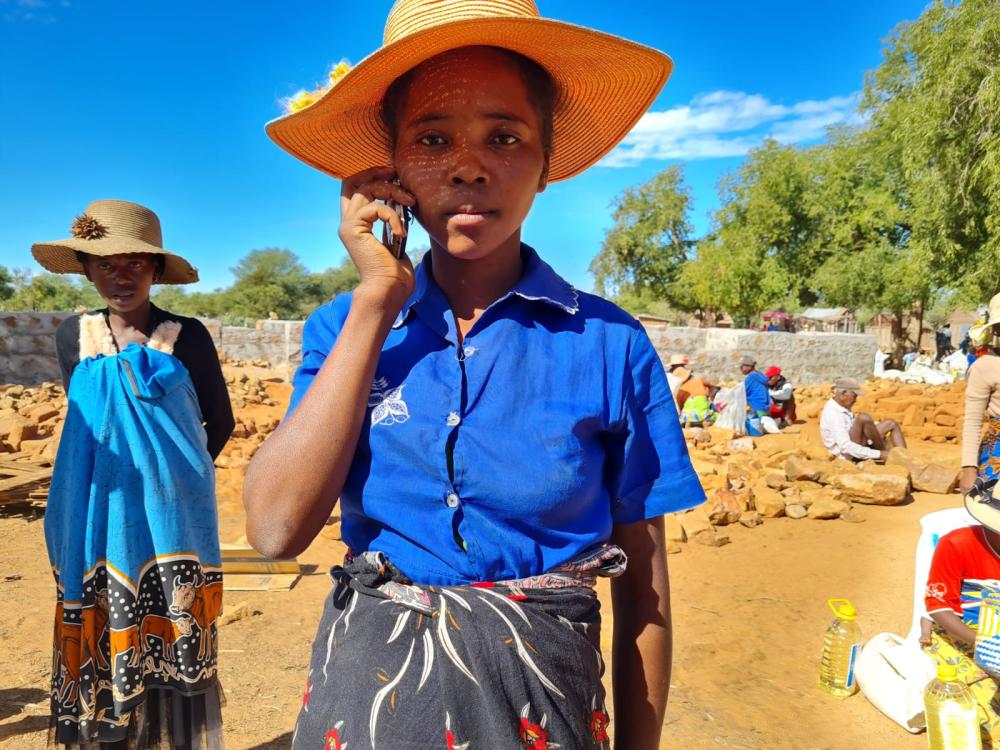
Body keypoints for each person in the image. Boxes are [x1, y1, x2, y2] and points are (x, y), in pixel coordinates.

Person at [245, 3, 704, 748]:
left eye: (505, 136)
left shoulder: (610, 344)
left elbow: (645, 594)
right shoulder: (346, 329)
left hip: (543, 712)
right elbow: (273, 531)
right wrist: (375, 302)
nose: (468, 164)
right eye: (432, 138)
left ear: (546, 165)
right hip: (370, 709)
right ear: (390, 170)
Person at [31, 200, 234, 748]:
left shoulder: (188, 336)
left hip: (174, 522)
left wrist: (173, 480)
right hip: (96, 511)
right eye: (106, 265)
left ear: (154, 270)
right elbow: (90, 429)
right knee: (100, 616)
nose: (120, 276)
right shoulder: (72, 337)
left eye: (135, 264)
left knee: (172, 622)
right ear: (87, 269)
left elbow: (220, 419)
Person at [921, 471, 1000, 744]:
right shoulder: (956, 544)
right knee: (977, 706)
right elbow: (939, 607)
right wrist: (985, 643)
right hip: (961, 634)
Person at [961, 294, 1000, 496]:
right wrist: (969, 468)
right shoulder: (984, 367)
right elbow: (972, 420)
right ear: (996, 329)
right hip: (997, 459)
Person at [819, 377, 906, 461]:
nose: (856, 400)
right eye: (854, 396)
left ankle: (906, 457)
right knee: (864, 418)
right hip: (848, 455)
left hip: (856, 442)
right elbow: (845, 447)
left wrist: (872, 429)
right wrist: (879, 454)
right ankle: (885, 454)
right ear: (843, 394)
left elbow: (852, 426)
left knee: (890, 423)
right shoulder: (833, 413)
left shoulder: (842, 406)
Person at [740, 356, 770, 434]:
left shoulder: (751, 377)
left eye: (742, 367)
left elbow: (743, 392)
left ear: (749, 367)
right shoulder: (760, 375)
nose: (741, 369)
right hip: (765, 408)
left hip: (756, 407)